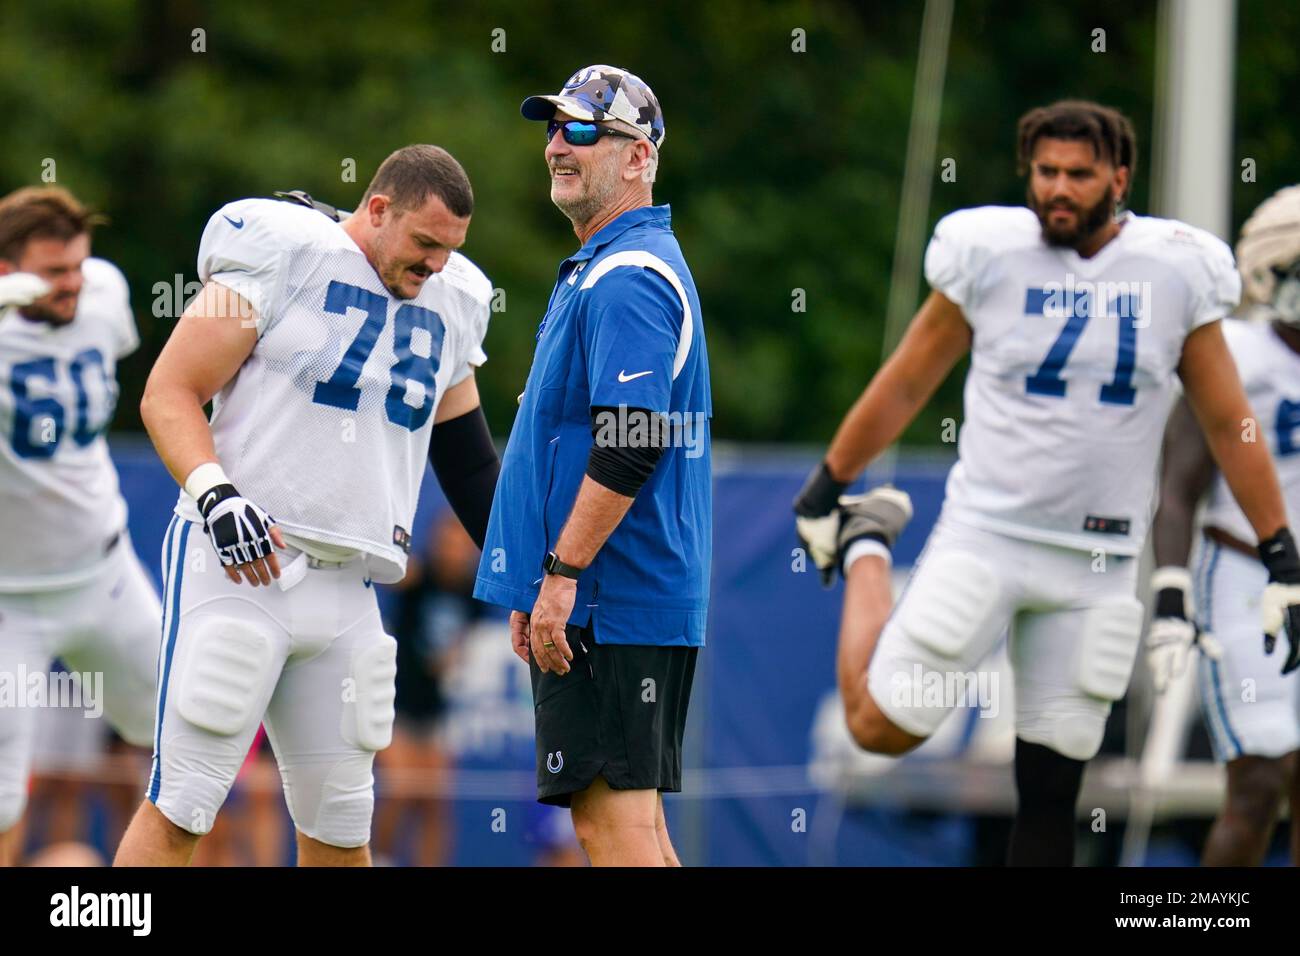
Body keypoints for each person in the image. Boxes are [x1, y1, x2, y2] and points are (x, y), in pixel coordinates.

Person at [794, 101, 1300, 866]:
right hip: (987, 537)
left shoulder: (1175, 268)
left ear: (1119, 178)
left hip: (1094, 562)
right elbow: (905, 384)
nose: (1059, 189)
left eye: (1079, 174)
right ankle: (870, 543)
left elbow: (1232, 425)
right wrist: (829, 485)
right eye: (1046, 172)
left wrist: (1280, 552)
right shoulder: (988, 252)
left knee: (1052, 792)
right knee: (882, 727)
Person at [113, 144, 500, 866]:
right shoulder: (282, 250)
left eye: (450, 250)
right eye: (423, 243)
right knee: (185, 802)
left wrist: (531, 579)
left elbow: (470, 462)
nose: (435, 266)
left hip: (348, 585)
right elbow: (168, 391)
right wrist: (215, 492)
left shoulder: (453, 300)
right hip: (236, 566)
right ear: (377, 209)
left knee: (344, 823)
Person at [474, 65, 712, 866]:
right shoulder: (607, 266)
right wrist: (536, 580)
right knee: (629, 828)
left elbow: (632, 438)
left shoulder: (628, 276)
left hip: (611, 595)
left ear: (639, 158)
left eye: (582, 131)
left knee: (612, 830)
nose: (556, 147)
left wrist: (564, 572)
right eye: (553, 129)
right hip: (607, 592)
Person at [0, 187, 160, 867]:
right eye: (53, 271)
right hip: (9, 600)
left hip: (104, 573)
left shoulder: (103, 292)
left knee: (194, 739)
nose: (72, 283)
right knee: (3, 792)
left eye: (77, 265)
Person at [1150, 183, 1300, 865]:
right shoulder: (1232, 350)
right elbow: (1178, 486)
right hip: (1245, 575)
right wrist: (1172, 590)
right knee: (1261, 781)